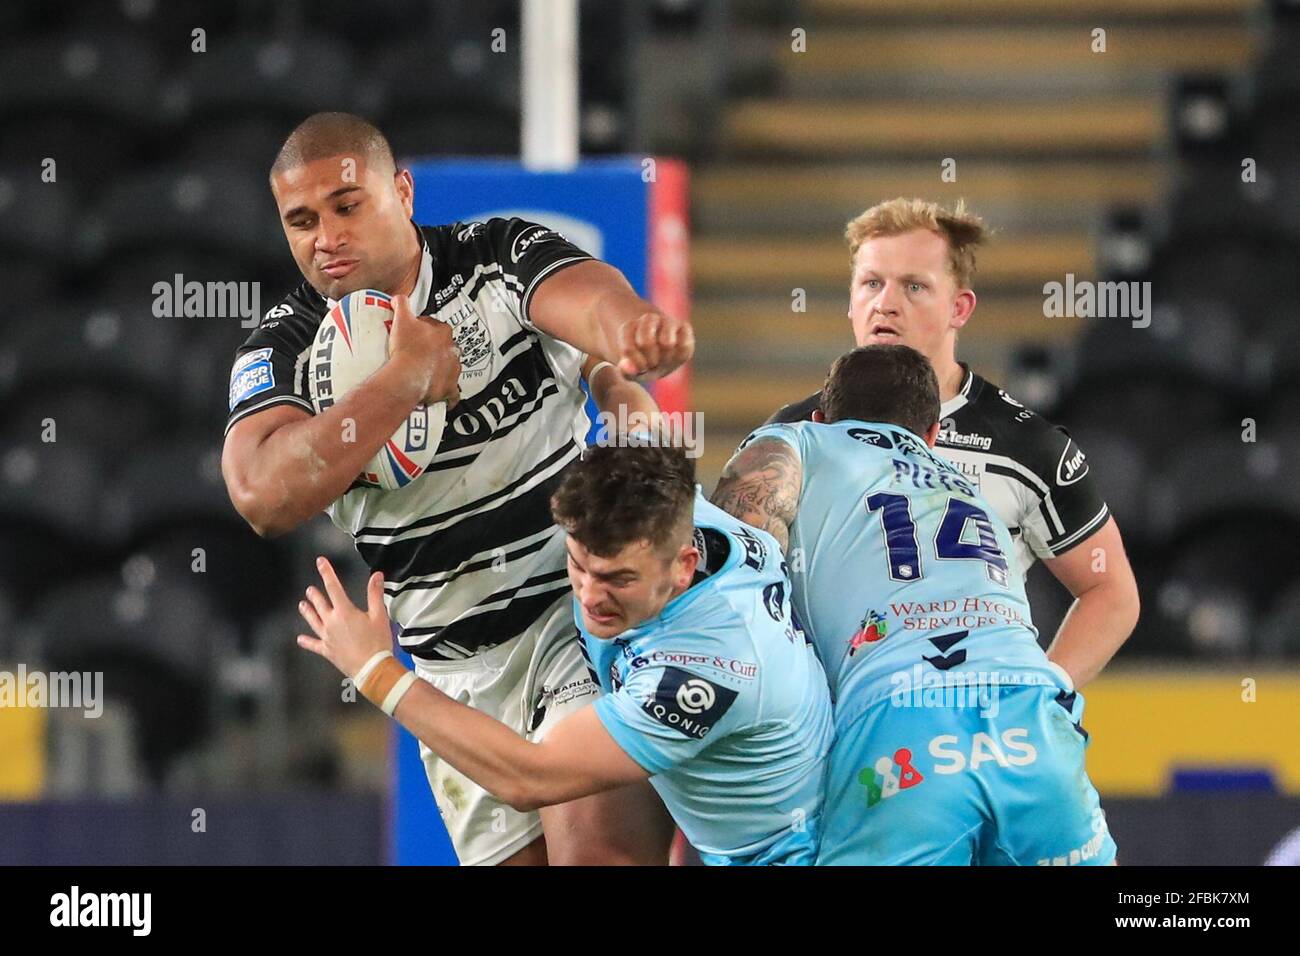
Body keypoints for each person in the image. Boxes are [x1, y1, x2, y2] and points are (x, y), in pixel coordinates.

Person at [221, 111, 692, 866]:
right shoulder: (284, 344)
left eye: (348, 206)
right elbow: (261, 495)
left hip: (571, 617)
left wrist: (630, 327)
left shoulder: (492, 255)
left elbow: (588, 297)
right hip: (450, 666)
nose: (326, 238)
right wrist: (404, 381)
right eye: (301, 221)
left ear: (401, 191)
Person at [294, 444, 834, 866]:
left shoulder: (701, 674)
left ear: (683, 566)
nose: (592, 596)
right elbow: (640, 427)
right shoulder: (673, 511)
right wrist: (605, 373)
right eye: (579, 566)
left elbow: (529, 778)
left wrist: (376, 673)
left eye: (619, 579)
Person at [714, 345, 1117, 865]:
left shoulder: (796, 441)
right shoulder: (971, 493)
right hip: (1034, 718)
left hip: (902, 725)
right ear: (932, 436)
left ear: (819, 419)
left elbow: (731, 570)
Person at [765, 198, 1138, 689]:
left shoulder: (1024, 445)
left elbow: (1110, 590)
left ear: (959, 307)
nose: (886, 304)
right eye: (871, 283)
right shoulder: (792, 435)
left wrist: (1043, 694)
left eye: (914, 286)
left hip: (966, 732)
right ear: (852, 300)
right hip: (836, 729)